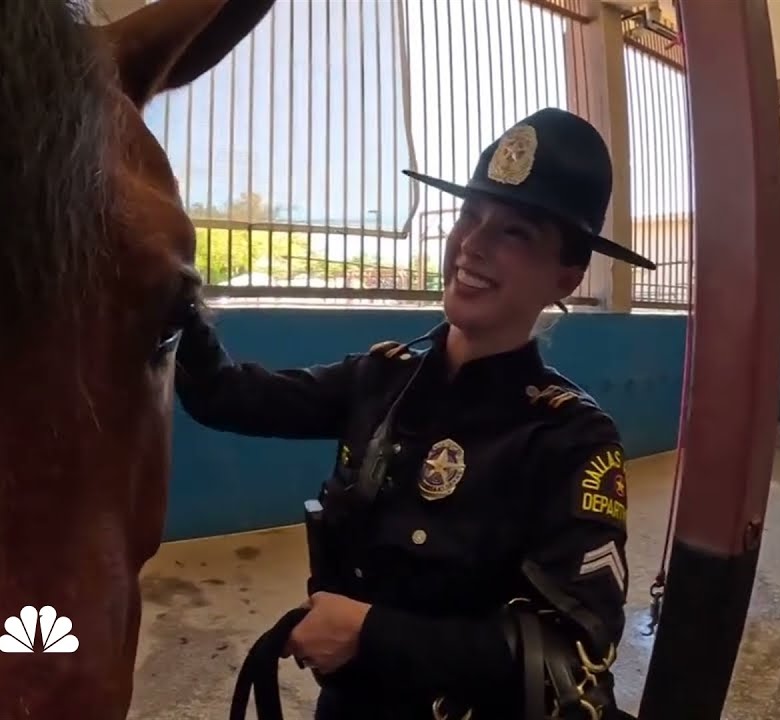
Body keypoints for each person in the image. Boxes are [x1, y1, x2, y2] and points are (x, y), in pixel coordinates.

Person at [176, 107, 657, 720]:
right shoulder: (383, 377)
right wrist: (176, 294)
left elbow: (572, 656)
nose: (473, 244)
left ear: (567, 275)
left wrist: (370, 633)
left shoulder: (572, 440)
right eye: (470, 216)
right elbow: (224, 395)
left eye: (515, 233)